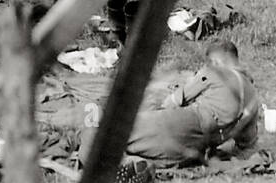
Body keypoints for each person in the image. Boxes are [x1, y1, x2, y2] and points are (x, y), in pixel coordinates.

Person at [80, 41, 259, 172]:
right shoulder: (253, 97)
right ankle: (138, 163)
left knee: (110, 130)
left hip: (185, 123)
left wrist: (158, 113)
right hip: (197, 150)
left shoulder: (214, 71)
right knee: (151, 149)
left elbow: (175, 100)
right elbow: (246, 144)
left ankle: (107, 161)